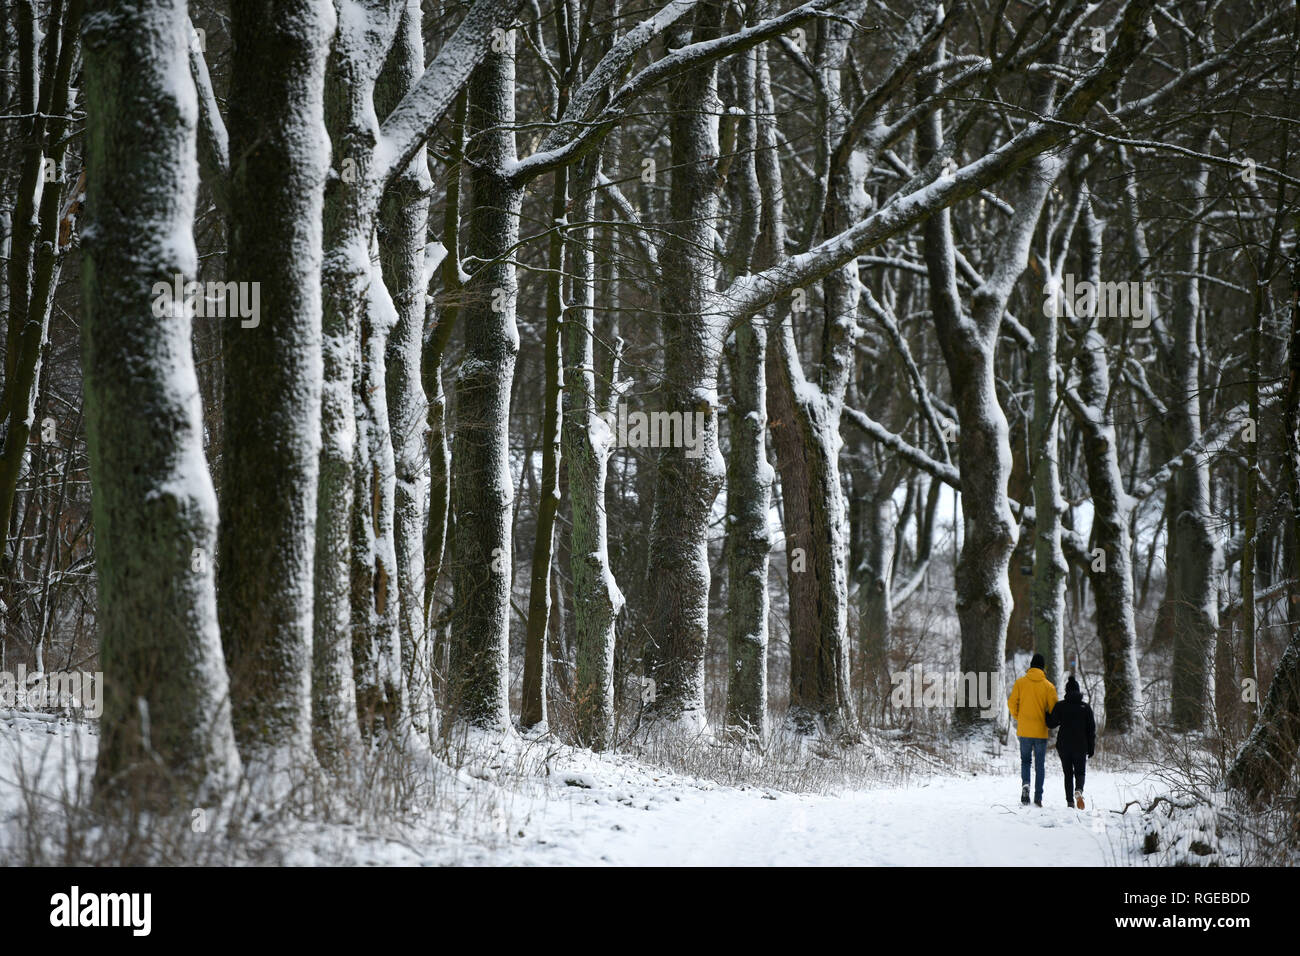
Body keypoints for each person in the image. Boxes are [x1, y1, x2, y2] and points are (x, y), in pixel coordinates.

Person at [1007, 653, 1057, 807]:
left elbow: (1011, 703)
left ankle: (1025, 785)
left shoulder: (1020, 683)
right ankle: (1038, 797)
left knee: (1026, 761)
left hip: (1024, 730)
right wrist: (1048, 720)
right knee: (1039, 764)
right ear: (1043, 668)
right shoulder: (1049, 686)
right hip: (1040, 731)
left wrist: (1018, 716)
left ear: (1031, 666)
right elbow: (1054, 709)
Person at [1046, 674, 1096, 809]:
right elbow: (1091, 730)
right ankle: (1078, 790)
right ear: (1078, 691)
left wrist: (1046, 713)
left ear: (1067, 691)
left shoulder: (1060, 706)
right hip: (1081, 746)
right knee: (1080, 772)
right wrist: (1091, 748)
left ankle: (1070, 802)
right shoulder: (1085, 708)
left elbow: (1051, 724)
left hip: (1064, 746)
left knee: (1068, 774)